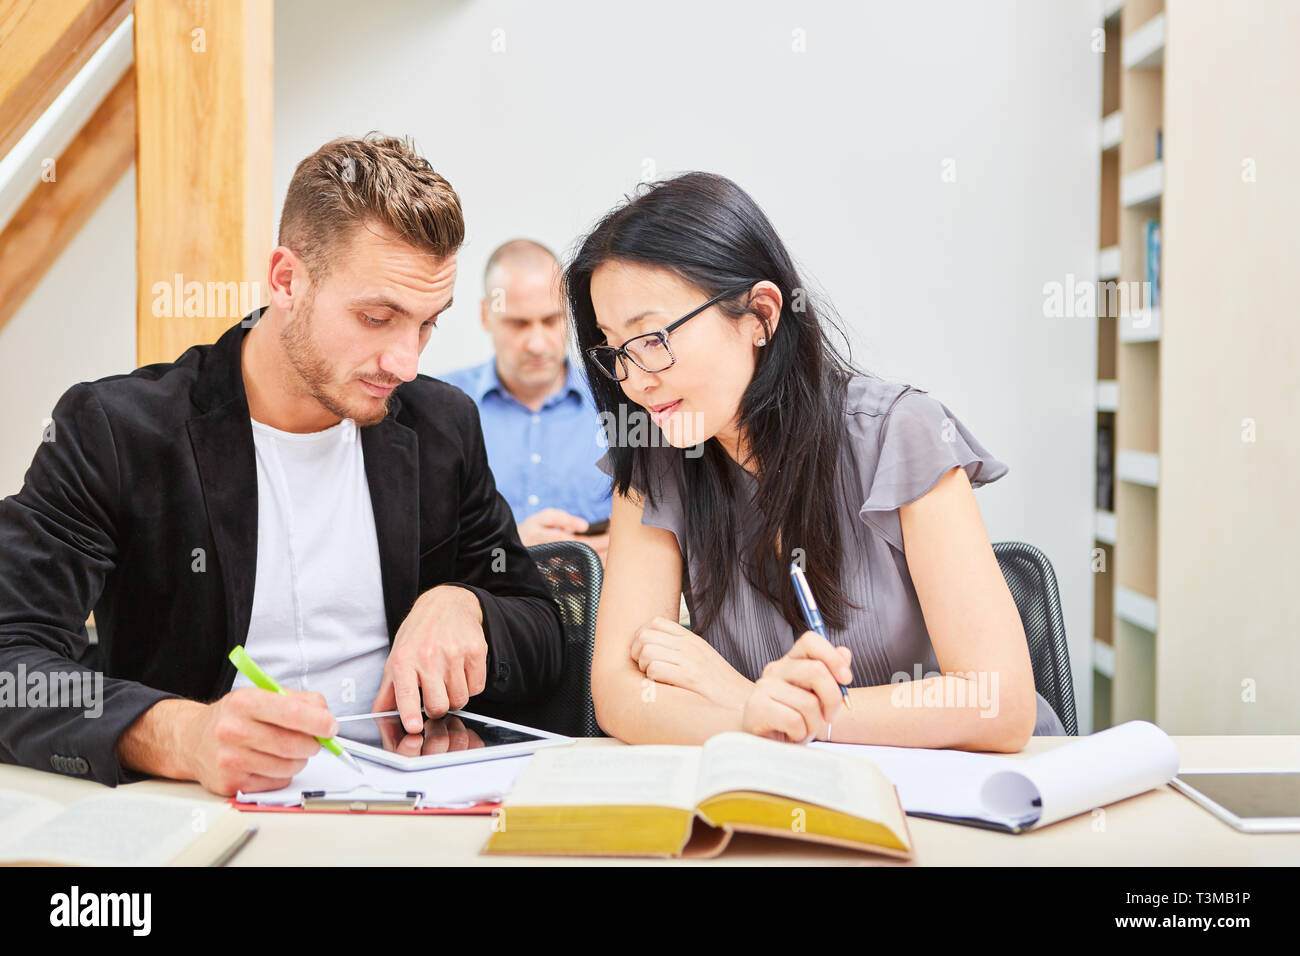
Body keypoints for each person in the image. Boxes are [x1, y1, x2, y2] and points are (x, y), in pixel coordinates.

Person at [0, 134, 564, 795]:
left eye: (426, 325)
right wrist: (181, 736)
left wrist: (465, 604)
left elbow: (541, 629)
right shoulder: (117, 432)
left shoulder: (443, 427)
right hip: (195, 813)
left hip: (404, 811)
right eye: (377, 317)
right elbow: (13, 662)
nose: (406, 362)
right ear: (286, 279)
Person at [570, 171, 1067, 750]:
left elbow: (996, 701)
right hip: (792, 790)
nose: (634, 382)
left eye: (652, 338)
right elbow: (619, 695)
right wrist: (751, 717)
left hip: (962, 796)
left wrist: (761, 705)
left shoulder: (899, 433)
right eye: (614, 351)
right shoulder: (655, 460)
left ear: (759, 315)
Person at [440, 240, 611, 564]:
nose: (536, 343)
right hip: (489, 604)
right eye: (518, 324)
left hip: (598, 603)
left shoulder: (616, 401)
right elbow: (423, 543)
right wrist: (509, 544)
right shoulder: (440, 408)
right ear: (485, 315)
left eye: (550, 321)